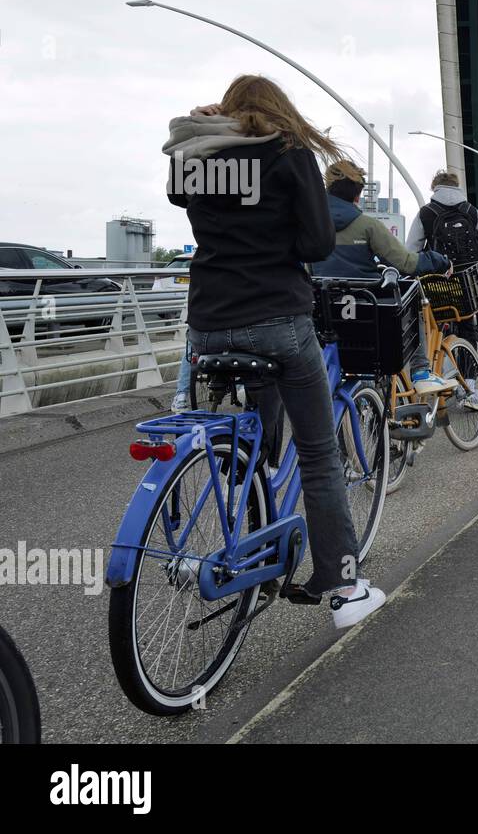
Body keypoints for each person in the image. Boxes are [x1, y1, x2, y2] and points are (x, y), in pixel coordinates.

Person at [163, 74, 383, 628]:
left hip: (207, 325)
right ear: (280, 109)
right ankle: (343, 584)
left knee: (250, 429)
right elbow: (315, 244)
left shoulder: (198, 156)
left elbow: (175, 191)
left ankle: (251, 488)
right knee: (317, 454)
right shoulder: (290, 154)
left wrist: (204, 126)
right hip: (277, 318)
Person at [314, 160, 459, 397]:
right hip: (367, 313)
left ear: (328, 188)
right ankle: (421, 372)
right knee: (411, 295)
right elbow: (407, 263)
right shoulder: (367, 226)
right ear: (358, 194)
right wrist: (440, 260)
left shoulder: (311, 226)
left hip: (325, 315)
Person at [405, 169, 478, 409]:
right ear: (457, 187)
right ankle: (472, 387)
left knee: (430, 325)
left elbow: (411, 250)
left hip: (437, 284)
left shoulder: (426, 213)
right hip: (467, 284)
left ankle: (435, 376)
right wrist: (474, 267)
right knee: (467, 328)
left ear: (435, 188)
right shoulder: (471, 211)